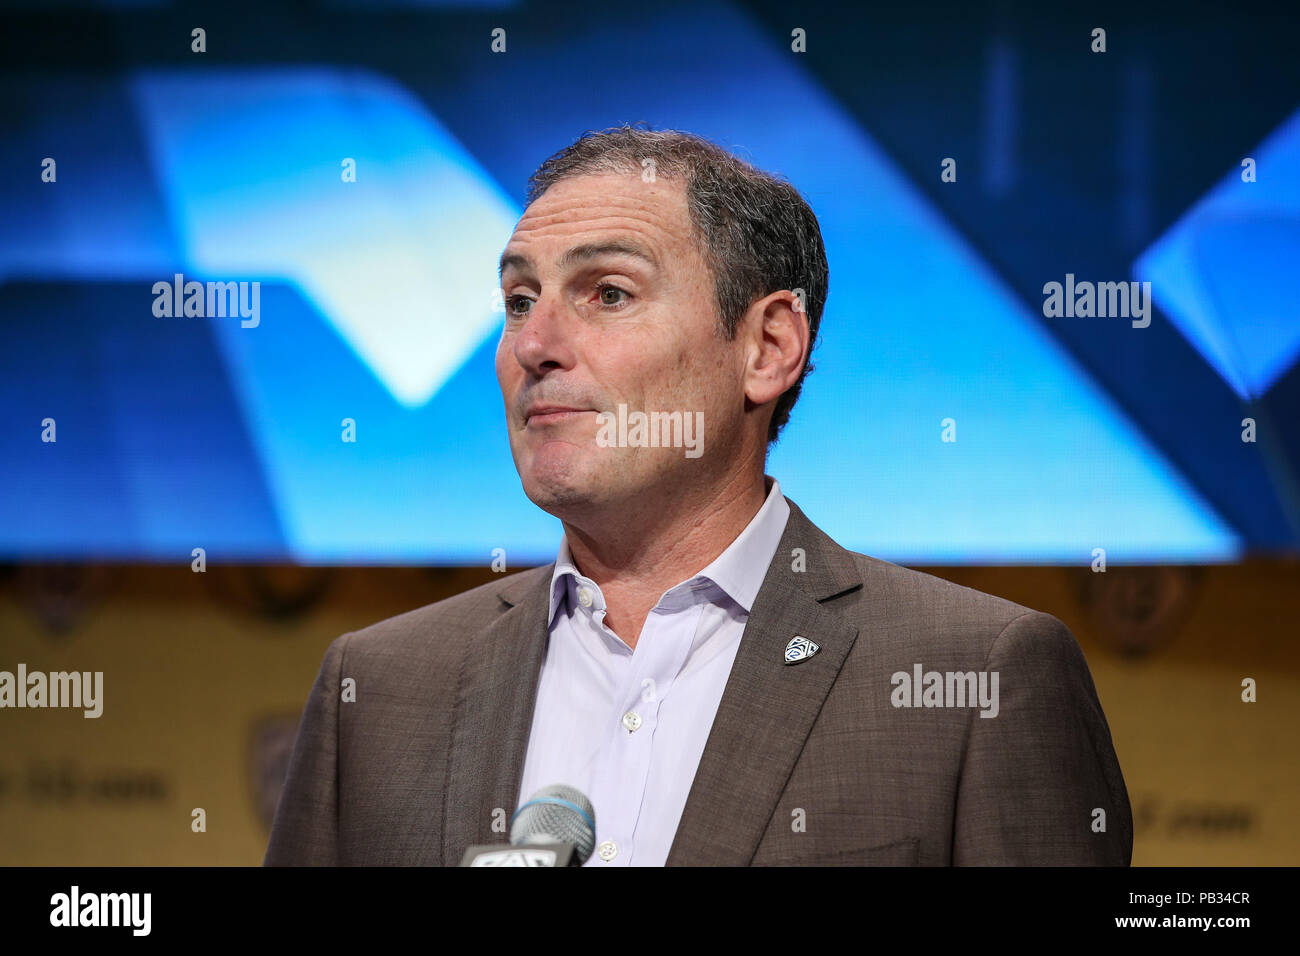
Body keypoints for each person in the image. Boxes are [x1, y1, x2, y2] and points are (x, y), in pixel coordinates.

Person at [264, 125, 1132, 866]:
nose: (535, 343)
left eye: (608, 293)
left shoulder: (978, 677)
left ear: (767, 347)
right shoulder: (375, 690)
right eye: (519, 298)